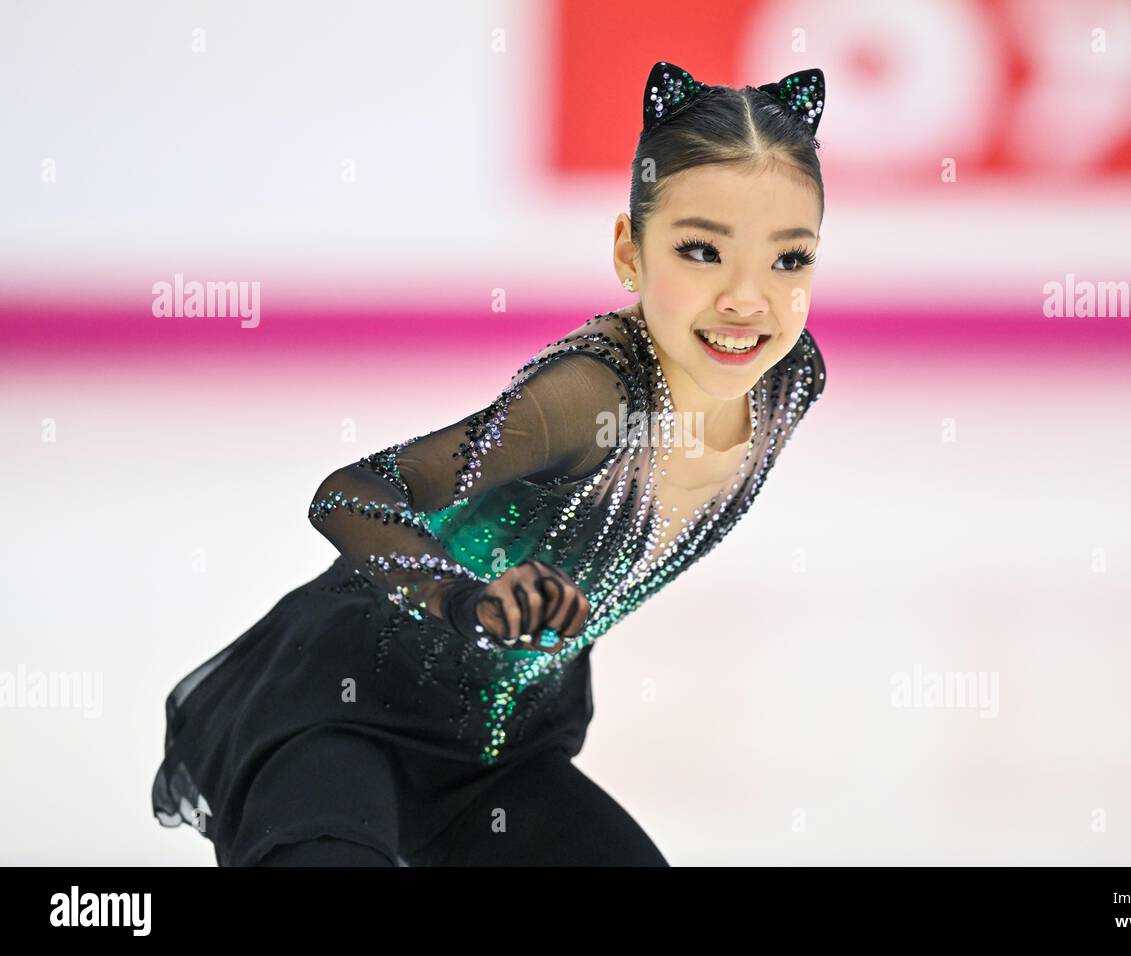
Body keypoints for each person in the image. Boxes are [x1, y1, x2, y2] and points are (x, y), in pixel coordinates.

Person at [151, 60, 829, 866]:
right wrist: (468, 599)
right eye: (700, 251)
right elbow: (350, 495)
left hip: (497, 750)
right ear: (630, 252)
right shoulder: (588, 399)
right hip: (345, 720)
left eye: (789, 260)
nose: (748, 299)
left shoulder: (790, 381)